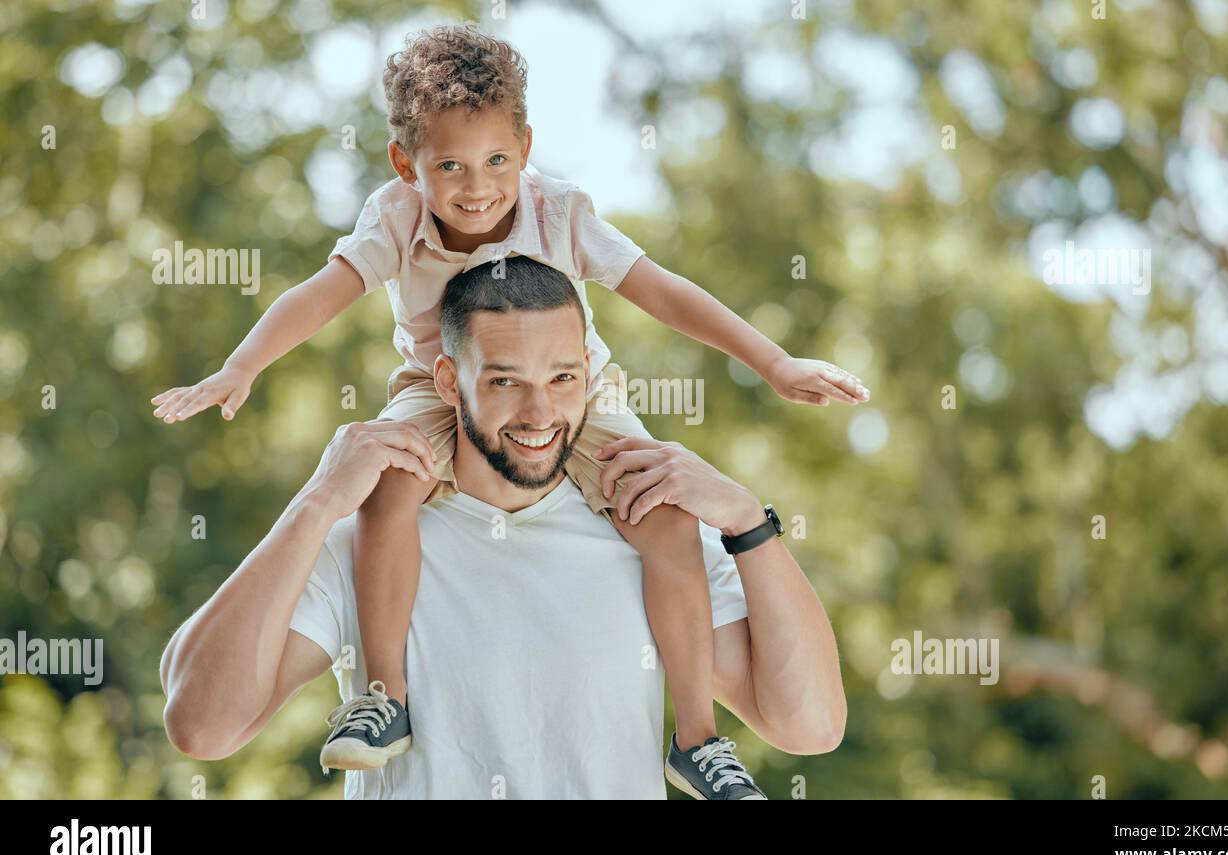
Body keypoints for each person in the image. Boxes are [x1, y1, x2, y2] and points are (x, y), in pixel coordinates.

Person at [150, 23, 866, 796]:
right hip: (425, 395)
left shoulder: (557, 213)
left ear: (525, 148)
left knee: (663, 514)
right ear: (407, 166)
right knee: (391, 487)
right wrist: (244, 372)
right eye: (449, 166)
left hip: (599, 400)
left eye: (496, 160)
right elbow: (320, 296)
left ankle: (696, 735)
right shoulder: (396, 222)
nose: (477, 185)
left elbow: (660, 289)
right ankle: (383, 697)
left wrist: (771, 379)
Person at [159, 257, 846, 799]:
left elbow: (810, 724)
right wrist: (315, 501)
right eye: (504, 382)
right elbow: (201, 722)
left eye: (564, 378)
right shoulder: (367, 544)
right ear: (449, 379)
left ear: (592, 372)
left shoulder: (649, 534)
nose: (540, 411)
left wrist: (750, 523)